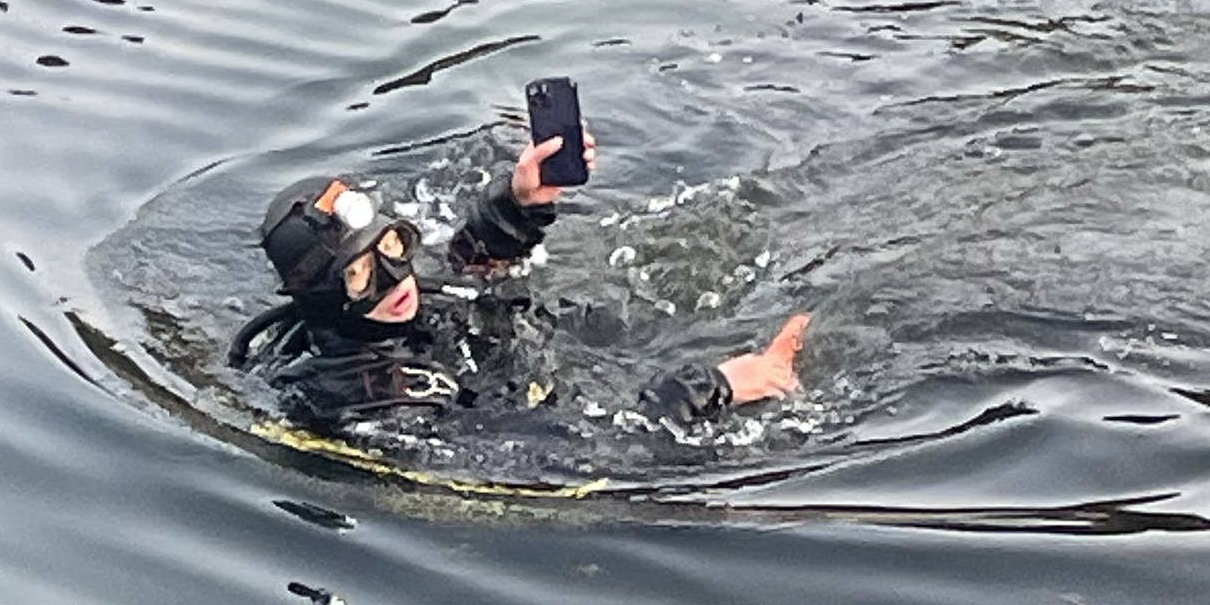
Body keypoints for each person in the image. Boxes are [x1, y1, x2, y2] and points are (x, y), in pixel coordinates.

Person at [227, 124, 808, 455]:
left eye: (395, 248)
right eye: (360, 275)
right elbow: (591, 452)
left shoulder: (381, 312)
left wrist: (521, 201)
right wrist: (714, 386)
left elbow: (459, 278)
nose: (396, 281)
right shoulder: (384, 409)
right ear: (326, 298)